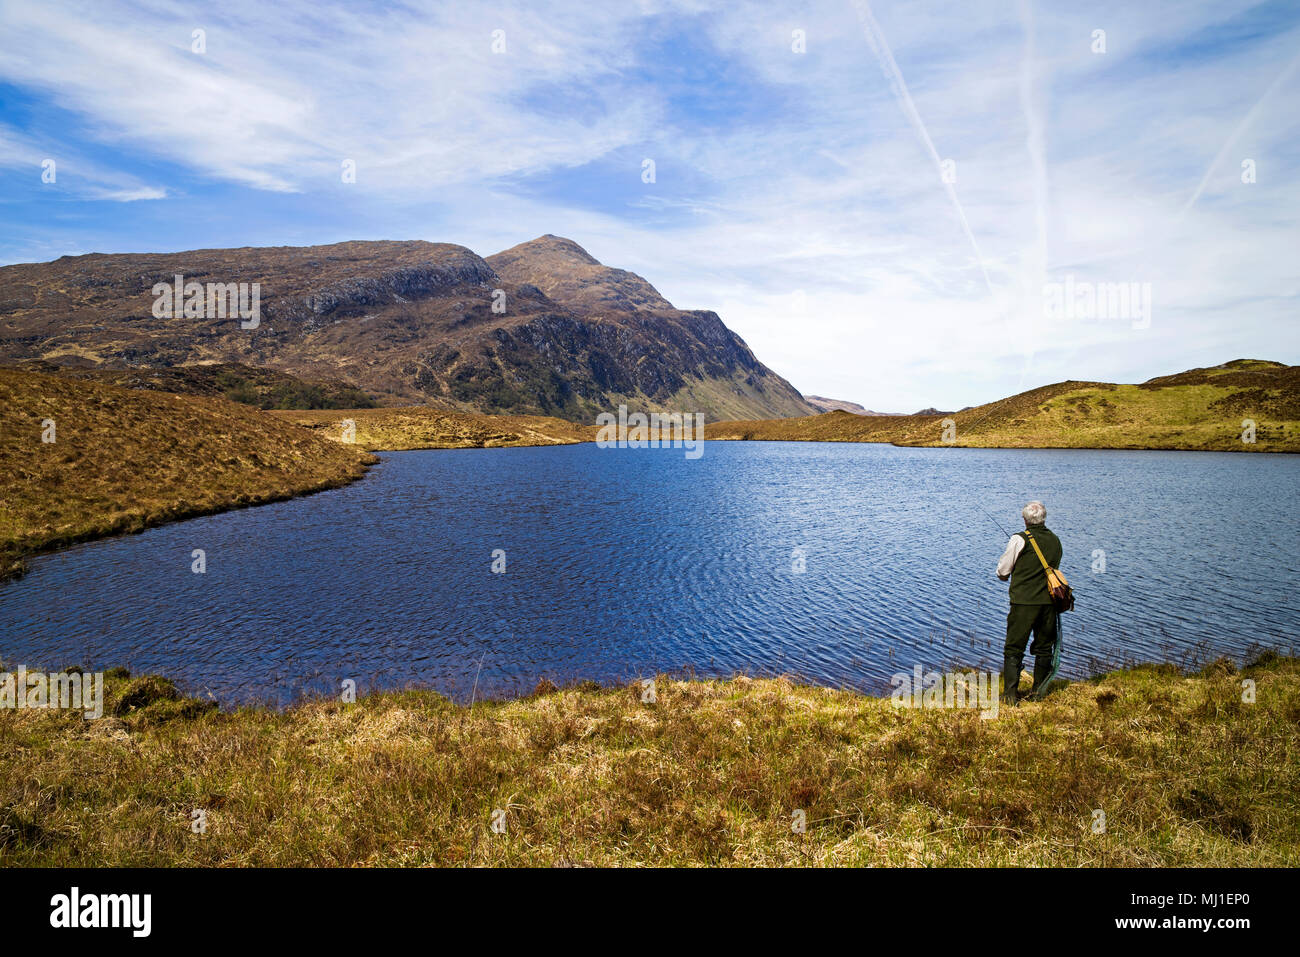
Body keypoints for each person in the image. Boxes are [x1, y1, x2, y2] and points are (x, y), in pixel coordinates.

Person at [996, 500, 1062, 704]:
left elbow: (1003, 571)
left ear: (1025, 519)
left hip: (1023, 603)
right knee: (1044, 648)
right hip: (1049, 604)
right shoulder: (1055, 540)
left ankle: (1010, 696)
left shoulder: (1019, 539)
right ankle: (1038, 694)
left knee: (1014, 648)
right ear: (1044, 518)